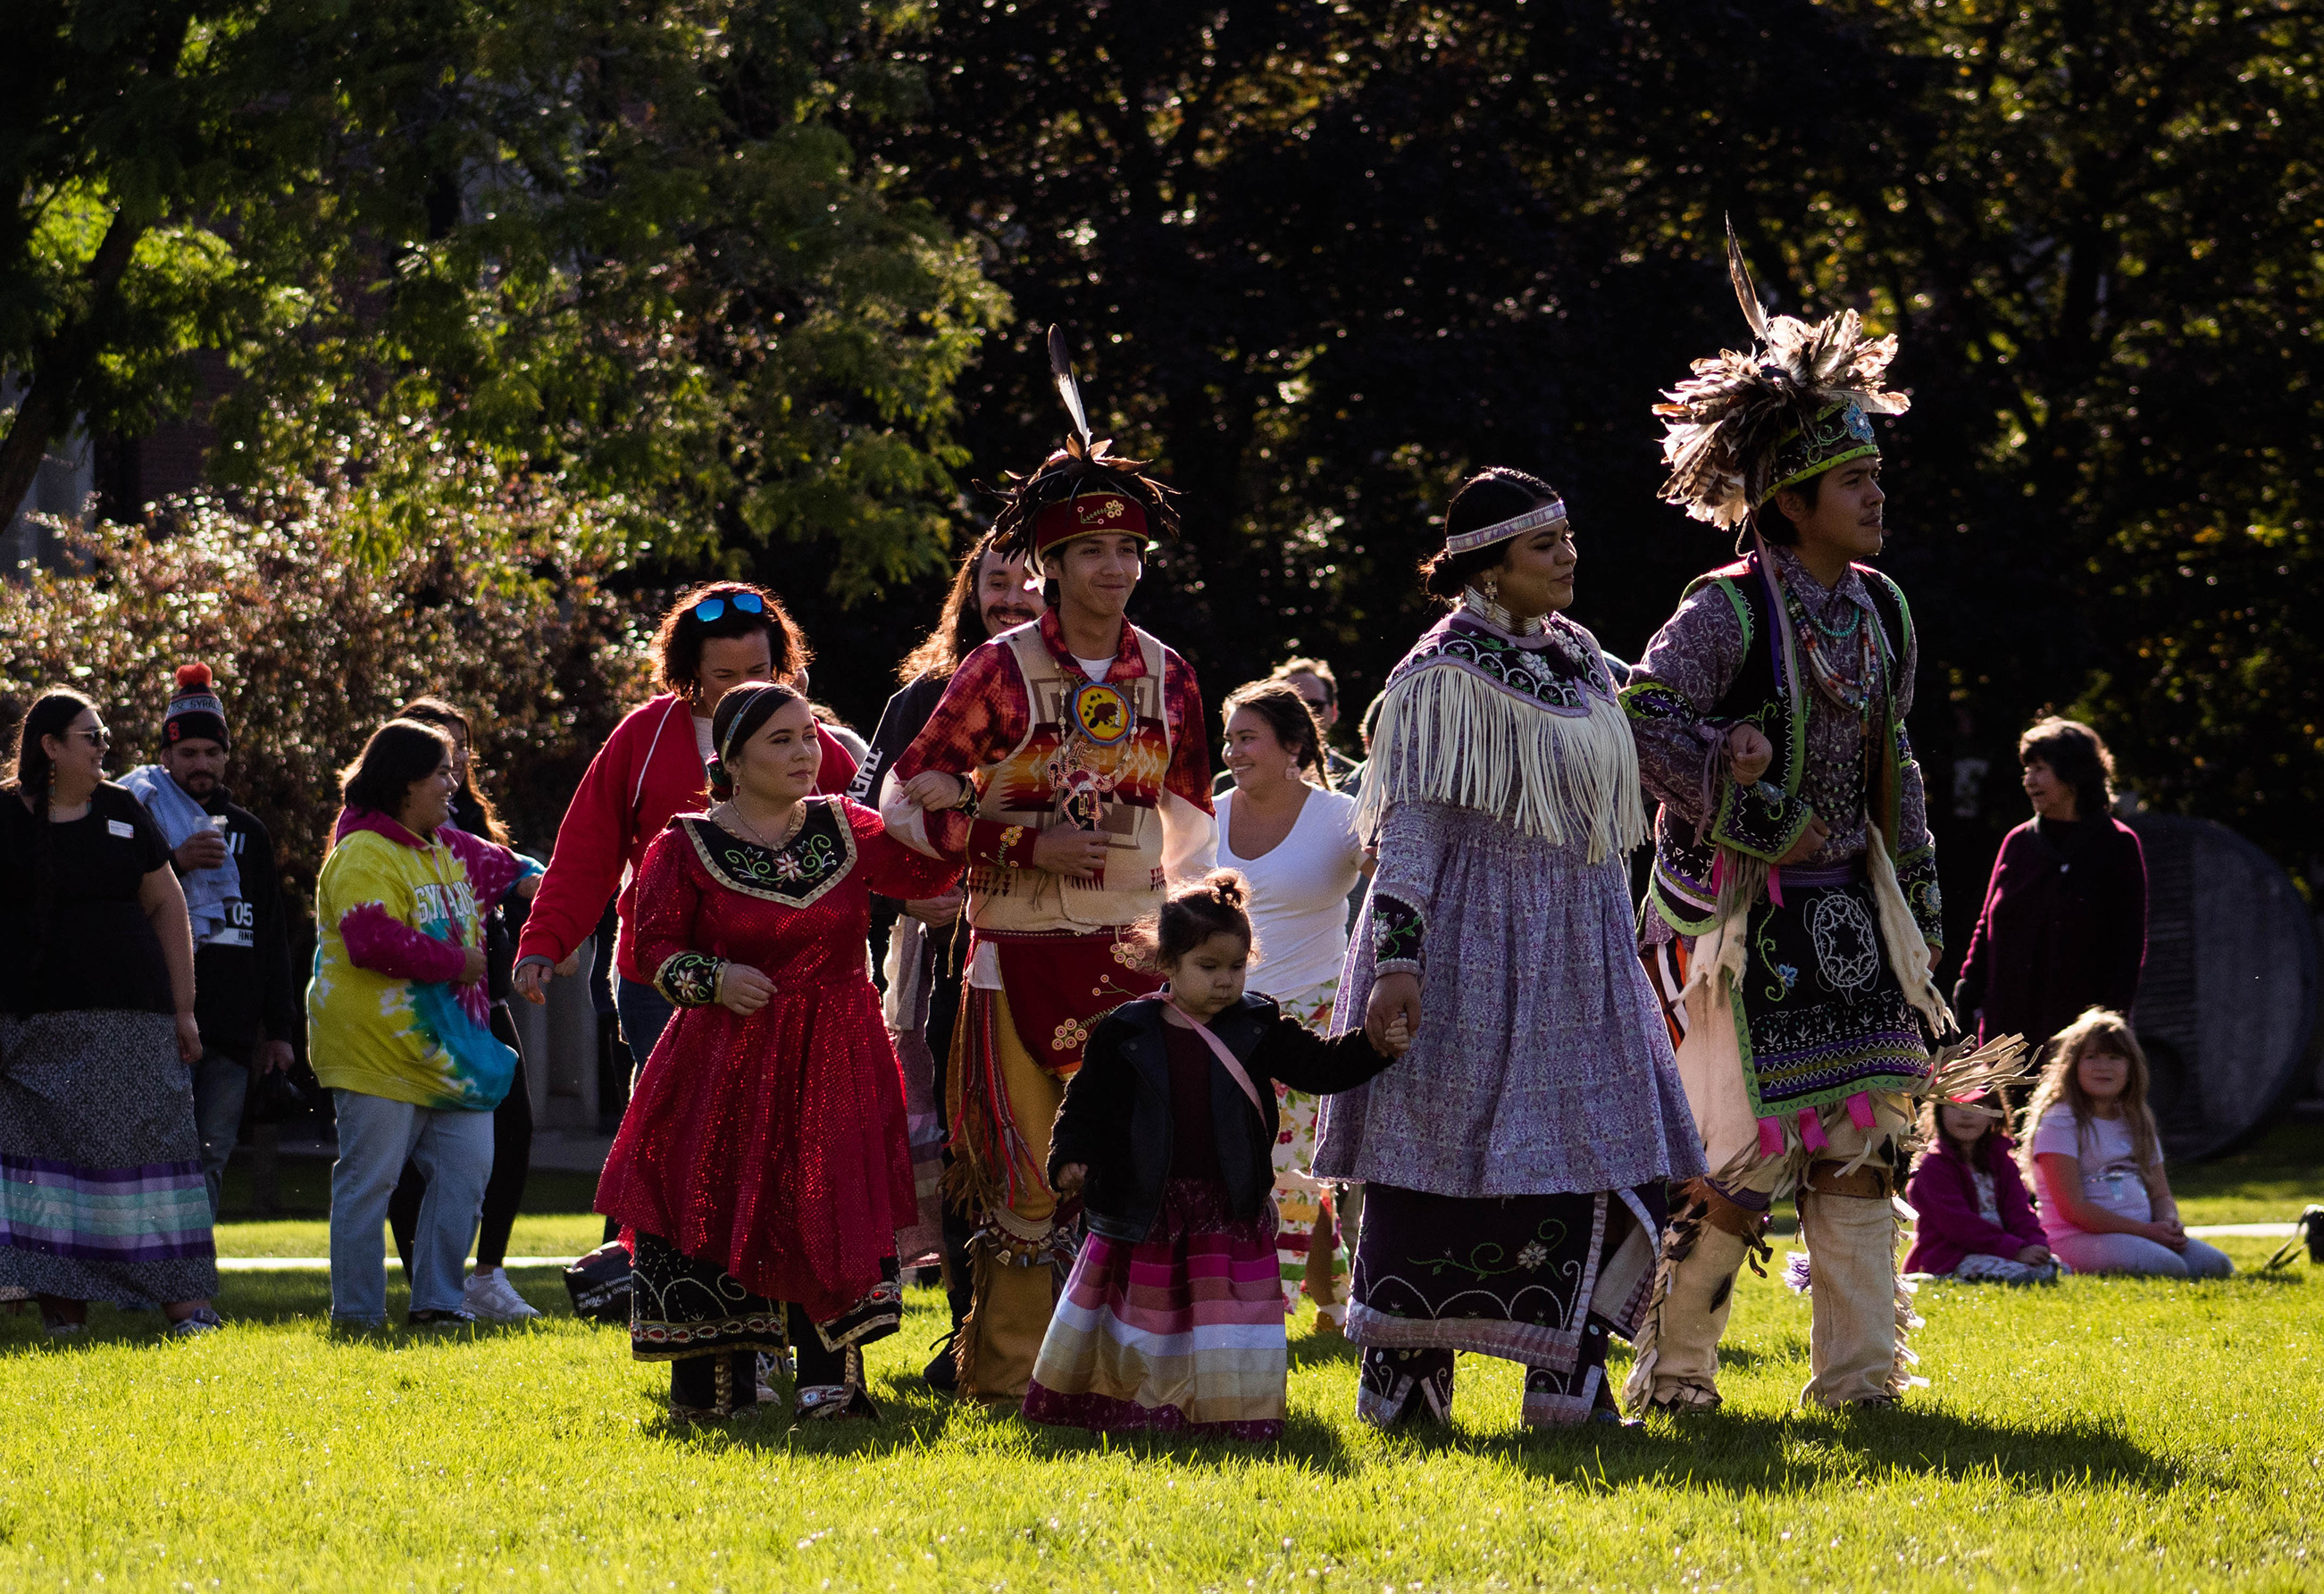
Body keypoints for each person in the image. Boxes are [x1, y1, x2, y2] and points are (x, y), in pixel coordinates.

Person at [1621, 234, 1949, 1414]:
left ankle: (1859, 1383)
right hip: (1739, 924)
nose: (1873, 497)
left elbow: (1890, 761)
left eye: (1874, 478)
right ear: (1790, 500)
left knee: (1861, 1151)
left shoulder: (1880, 613)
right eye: (1852, 482)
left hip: (1852, 920)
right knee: (1742, 1164)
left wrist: (1914, 897)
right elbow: (1642, 715)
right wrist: (1735, 775)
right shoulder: (1723, 609)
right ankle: (1673, 1377)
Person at [1314, 467, 1702, 1429]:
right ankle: (1407, 1382)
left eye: (1568, 536)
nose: (1569, 555)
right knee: (1439, 1157)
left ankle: (1565, 1379)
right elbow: (1408, 828)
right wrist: (1397, 959)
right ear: (1488, 572)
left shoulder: (1575, 654)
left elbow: (1659, 724)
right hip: (1467, 947)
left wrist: (1725, 747)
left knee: (1598, 1153)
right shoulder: (1439, 676)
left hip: (1579, 940)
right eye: (1545, 545)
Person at [883, 355, 1217, 1405]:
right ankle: (1008, 1381)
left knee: (1143, 1172)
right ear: (1050, 564)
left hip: (1132, 954)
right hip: (1011, 960)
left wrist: (1196, 933)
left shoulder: (1169, 675)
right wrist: (1019, 845)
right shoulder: (994, 671)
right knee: (1025, 1181)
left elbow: (1194, 820)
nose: (1116, 569)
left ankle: (1139, 1376)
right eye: (1093, 552)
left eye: (1130, 549)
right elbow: (915, 793)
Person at [594, 684, 961, 1421]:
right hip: (725, 1056)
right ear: (730, 758)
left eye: (808, 736)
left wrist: (958, 797)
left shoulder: (845, 826)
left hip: (837, 1053)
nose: (805, 753)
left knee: (825, 1197)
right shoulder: (684, 842)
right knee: (722, 1195)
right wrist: (716, 977)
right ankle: (725, 1378)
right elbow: (649, 947)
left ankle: (831, 1379)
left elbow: (930, 875)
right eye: (781, 741)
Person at [1024, 871, 1404, 1440]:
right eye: (1209, 967)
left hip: (1229, 1205)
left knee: (1228, 1321)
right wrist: (1070, 1156)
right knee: (1144, 1319)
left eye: (1237, 966)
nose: (1226, 981)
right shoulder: (1125, 1031)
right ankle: (1134, 1407)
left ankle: (1233, 1408)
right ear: (1167, 963)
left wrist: (1371, 1048)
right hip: (1145, 1203)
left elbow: (1319, 1066)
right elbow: (1087, 1105)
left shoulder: (1259, 1024)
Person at [848, 530, 1047, 1387]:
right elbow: (873, 815)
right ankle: (972, 1331)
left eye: (1025, 584)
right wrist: (904, 896)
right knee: (974, 1138)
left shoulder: (1094, 690)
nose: (1009, 598)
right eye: (994, 583)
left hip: (1072, 940)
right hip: (954, 951)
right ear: (970, 594)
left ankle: (1071, 1329)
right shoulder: (929, 696)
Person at [513, 582, 858, 1064]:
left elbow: (865, 831)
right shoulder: (642, 736)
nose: (743, 688)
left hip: (787, 976)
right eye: (724, 674)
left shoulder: (804, 740)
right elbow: (586, 854)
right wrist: (544, 941)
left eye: (758, 671)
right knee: (679, 1130)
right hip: (664, 980)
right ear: (690, 671)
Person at [0, 690, 222, 1336]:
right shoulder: (4, 818)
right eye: (90, 735)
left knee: (149, 1154)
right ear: (51, 745)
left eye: (103, 735)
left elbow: (168, 905)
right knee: (49, 1166)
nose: (103, 747)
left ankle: (184, 1307)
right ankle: (63, 1311)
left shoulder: (123, 810)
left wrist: (184, 1009)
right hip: (30, 1029)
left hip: (132, 1022)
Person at [311, 718, 539, 1329]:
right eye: (441, 771)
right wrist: (459, 961)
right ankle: (356, 1314)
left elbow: (515, 870)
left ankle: (438, 1302)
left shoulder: (448, 845)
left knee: (468, 1170)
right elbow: (368, 938)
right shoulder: (362, 851)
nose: (452, 782)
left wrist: (554, 909)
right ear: (404, 781)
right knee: (372, 1180)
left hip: (451, 1051)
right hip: (376, 1050)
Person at [382, 698, 548, 1323]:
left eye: (460, 748)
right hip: (419, 1005)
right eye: (438, 748)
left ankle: (488, 1274)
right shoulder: (385, 826)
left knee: (514, 1125)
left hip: (485, 998)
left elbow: (512, 871)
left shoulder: (471, 816)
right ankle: (429, 1278)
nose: (452, 762)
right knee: (409, 1143)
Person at [119, 663, 299, 1221]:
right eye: (189, 753)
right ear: (166, 757)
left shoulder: (250, 831)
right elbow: (112, 908)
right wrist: (176, 862)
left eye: (211, 753)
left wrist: (279, 1030)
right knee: (150, 1157)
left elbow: (269, 934)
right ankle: (143, 1286)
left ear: (226, 757)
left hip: (231, 1032)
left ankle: (194, 1286)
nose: (201, 764)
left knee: (211, 1158)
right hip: (157, 1020)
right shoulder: (139, 816)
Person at [1215, 679, 1368, 1329]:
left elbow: (1397, 882)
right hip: (1227, 1017)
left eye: (1247, 738)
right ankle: (1332, 1298)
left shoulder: (1339, 818)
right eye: (1229, 739)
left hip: (1314, 1017)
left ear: (1293, 745)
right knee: (1266, 1161)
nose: (1233, 751)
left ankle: (1261, 1312)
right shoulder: (1210, 815)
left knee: (1284, 1165)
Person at [1953, 718, 2146, 1049]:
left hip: (2079, 1041)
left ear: (2074, 775)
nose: (2029, 781)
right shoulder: (2018, 843)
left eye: (2040, 769)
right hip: (2006, 1035)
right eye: (2027, 770)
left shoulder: (2118, 844)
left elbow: (2129, 947)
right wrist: (1967, 996)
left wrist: (2110, 1026)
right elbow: (1986, 928)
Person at [2022, 1008, 2232, 1280]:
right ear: (2072, 1067)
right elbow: (2073, 1210)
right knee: (2170, 1268)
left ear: (2131, 1068)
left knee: (2216, 1266)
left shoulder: (2136, 1119)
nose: (2103, 1066)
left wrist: (2168, 1223)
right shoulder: (2060, 1121)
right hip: (2076, 1237)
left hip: (2142, 1233)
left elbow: (2160, 1194)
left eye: (2115, 1057)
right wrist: (2147, 1233)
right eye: (2091, 1057)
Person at [1901, 1091, 2059, 1283]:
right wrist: (2015, 1250)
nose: (1966, 1114)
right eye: (1955, 1105)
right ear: (1939, 1111)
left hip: (2004, 1250)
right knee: (2026, 1276)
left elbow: (2019, 1211)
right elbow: (1959, 1225)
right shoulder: (1932, 1167)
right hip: (1952, 1258)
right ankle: (1932, 1279)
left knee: (2053, 1267)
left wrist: (2035, 1244)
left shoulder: (2002, 1161)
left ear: (1994, 1113)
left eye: (1978, 1105)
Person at [1267, 658, 1363, 787]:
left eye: (1314, 706)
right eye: (1290, 708)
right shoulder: (1237, 784)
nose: (1303, 715)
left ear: (1333, 711)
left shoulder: (1362, 781)